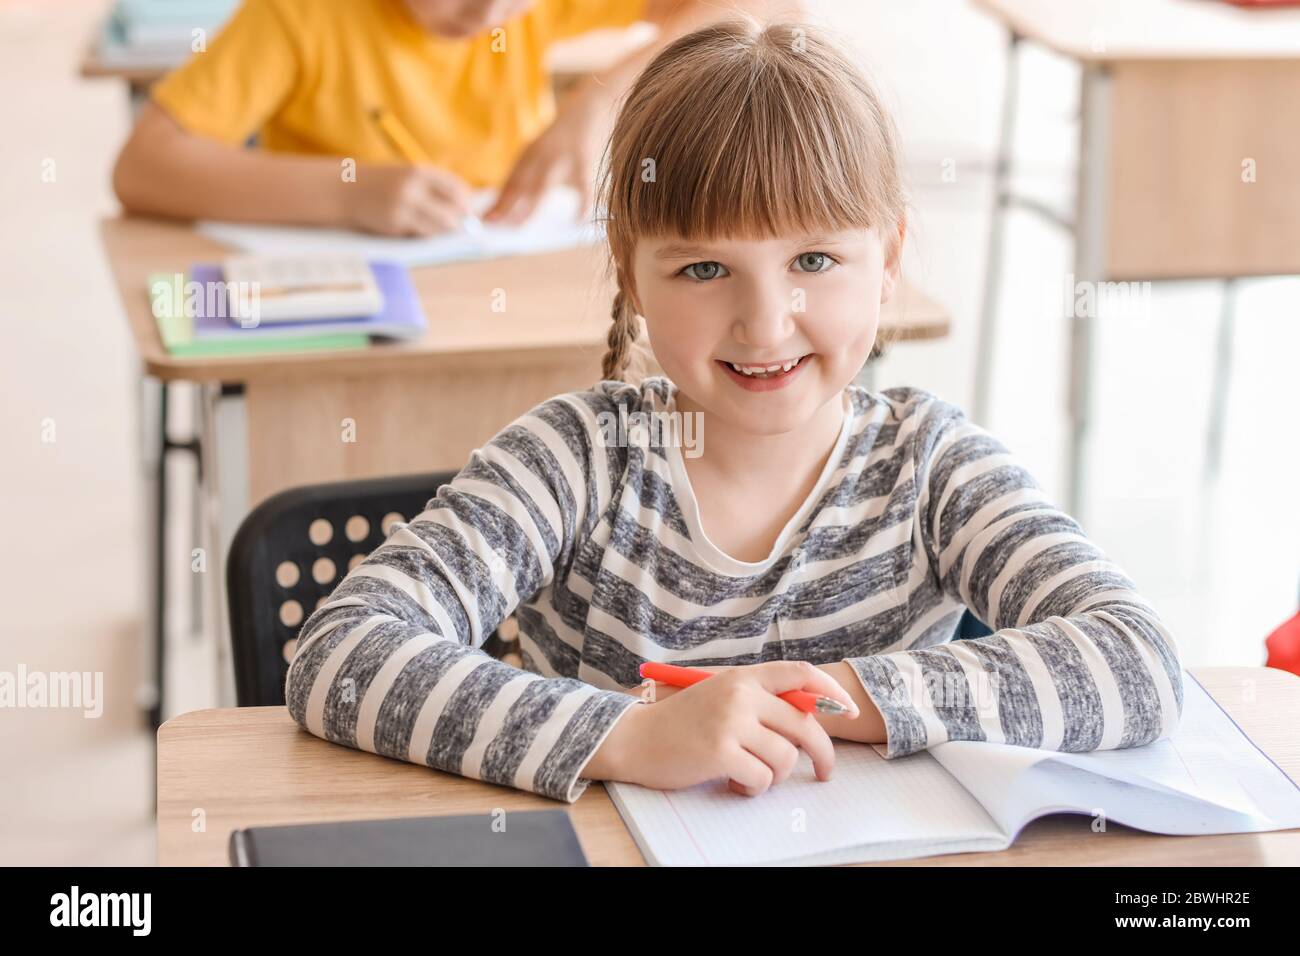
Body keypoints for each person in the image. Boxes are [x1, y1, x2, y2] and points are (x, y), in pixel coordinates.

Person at [284, 19, 1184, 802]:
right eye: (704, 269)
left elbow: (1136, 661)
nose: (765, 323)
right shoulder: (578, 457)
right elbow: (343, 653)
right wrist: (631, 736)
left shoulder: (931, 463)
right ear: (631, 271)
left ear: (890, 256)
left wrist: (801, 701)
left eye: (816, 261)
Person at [111, 0, 761, 235]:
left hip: (499, 278)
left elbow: (766, 6)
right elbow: (143, 166)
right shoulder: (297, 12)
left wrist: (604, 95)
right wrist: (348, 193)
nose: (487, 13)